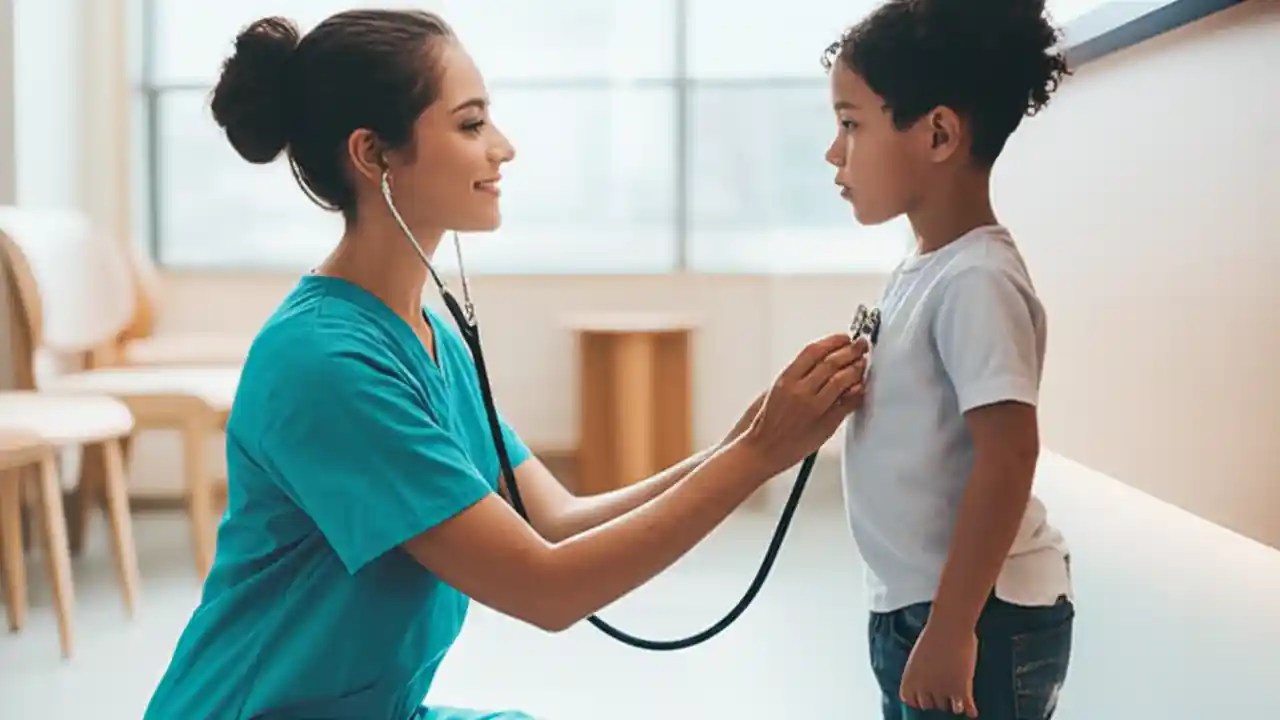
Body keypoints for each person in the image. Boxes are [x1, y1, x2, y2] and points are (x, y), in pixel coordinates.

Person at [143, 9, 868, 720]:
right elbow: (545, 588)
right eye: (470, 124)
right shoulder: (326, 366)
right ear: (374, 156)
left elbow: (555, 522)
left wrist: (748, 444)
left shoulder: (425, 336)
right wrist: (757, 455)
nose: (504, 147)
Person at [821, 1, 1075, 718]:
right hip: (926, 608)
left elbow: (1008, 456)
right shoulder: (927, 267)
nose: (833, 153)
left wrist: (953, 627)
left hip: (977, 615)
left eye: (850, 124)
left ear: (937, 133)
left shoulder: (977, 280)